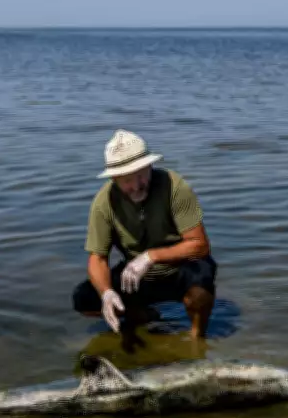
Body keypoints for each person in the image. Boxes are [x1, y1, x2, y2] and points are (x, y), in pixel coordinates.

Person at [72, 129, 217, 340]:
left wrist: (151, 256)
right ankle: (143, 316)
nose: (136, 186)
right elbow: (98, 258)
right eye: (127, 180)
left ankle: (197, 337)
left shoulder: (174, 187)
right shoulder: (103, 203)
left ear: (150, 166)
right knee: (84, 298)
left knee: (200, 289)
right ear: (114, 178)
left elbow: (200, 245)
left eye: (141, 175)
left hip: (180, 268)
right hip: (136, 276)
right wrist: (106, 292)